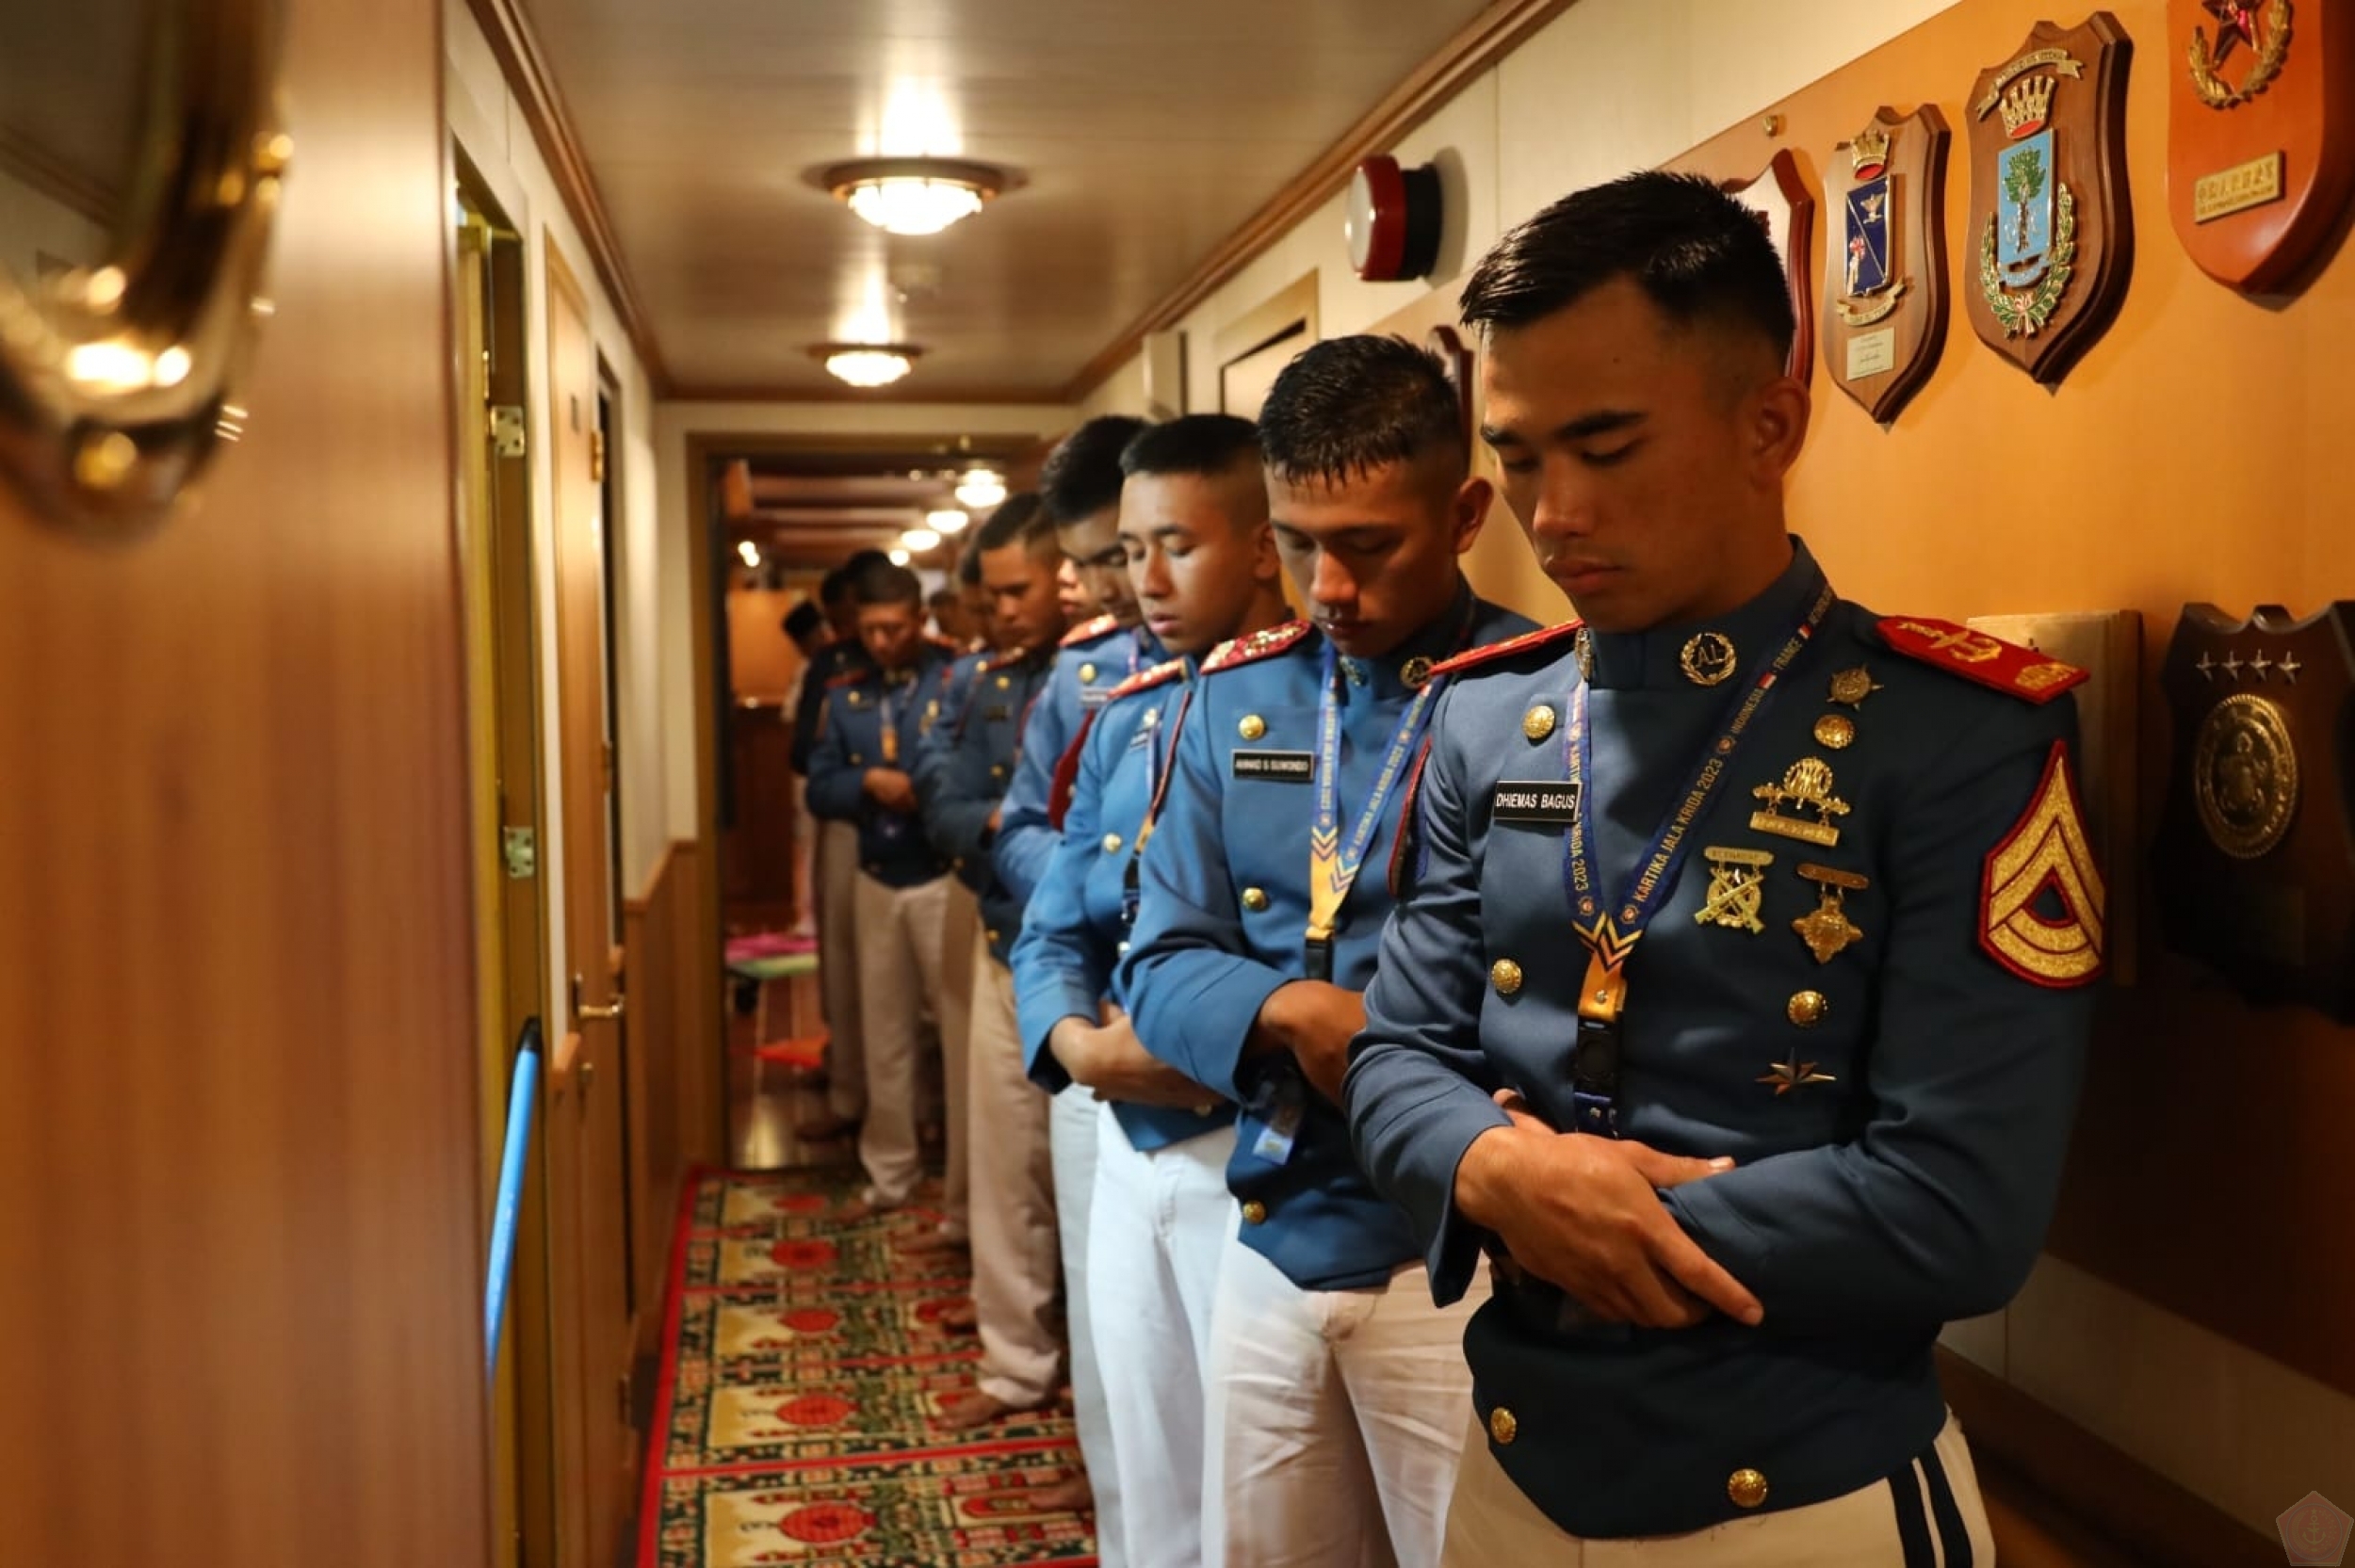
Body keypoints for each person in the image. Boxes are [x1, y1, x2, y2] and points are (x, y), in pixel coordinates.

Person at [1344, 170, 2103, 1565]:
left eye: (1607, 445)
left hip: (1800, 1483)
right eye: (1517, 457)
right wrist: (1506, 1174)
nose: (1552, 510)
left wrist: (1576, 1205)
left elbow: (1961, 1205)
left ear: (1771, 425)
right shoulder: (1478, 714)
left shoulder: (1951, 735)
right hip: (1512, 1463)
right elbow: (1394, 1058)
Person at [1117, 335, 1535, 1568]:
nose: (1329, 588)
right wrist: (1303, 1017)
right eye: (1299, 543)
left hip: (1456, 1255)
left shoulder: (1543, 694)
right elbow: (1158, 959)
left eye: (1369, 544)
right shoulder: (1235, 698)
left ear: (1462, 513)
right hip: (1273, 1227)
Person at [1011, 412, 1293, 1568]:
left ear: (1266, 544)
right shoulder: (1127, 717)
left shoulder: (1337, 703)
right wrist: (1077, 1048)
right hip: (1123, 1132)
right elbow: (1050, 925)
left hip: (1263, 1148)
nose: (1145, 581)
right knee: (1142, 1470)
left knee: (1260, 1503)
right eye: (1129, 552)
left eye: (1175, 544)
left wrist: (1194, 1041)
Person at [983, 412, 1154, 1549]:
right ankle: (1114, 1516)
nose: (1113, 586)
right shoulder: (1083, 677)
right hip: (1097, 1010)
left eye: (1125, 555)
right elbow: (1016, 833)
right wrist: (1115, 875)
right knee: (1107, 1313)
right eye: (1091, 563)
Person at [911, 494, 1079, 1459]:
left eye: (1022, 589)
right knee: (1003, 1163)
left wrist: (999, 824)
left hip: (1098, 970)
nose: (1006, 607)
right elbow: (938, 788)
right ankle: (1014, 1364)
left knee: (1077, 1183)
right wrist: (996, 828)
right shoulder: (979, 682)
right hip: (1003, 937)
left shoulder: (1112, 675)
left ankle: (1079, 1390)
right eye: (994, 592)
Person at [803, 558, 957, 1211]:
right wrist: (867, 783)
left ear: (918, 618)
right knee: (884, 1030)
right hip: (875, 874)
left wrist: (925, 791)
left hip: (943, 877)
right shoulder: (846, 691)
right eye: (871, 630)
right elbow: (819, 784)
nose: (883, 642)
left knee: (952, 1031)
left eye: (895, 628)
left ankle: (959, 1173)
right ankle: (891, 1171)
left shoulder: (954, 680)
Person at [792, 552, 888, 1143]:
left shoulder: (934, 663)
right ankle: (849, 1093)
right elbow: (802, 752)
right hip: (852, 824)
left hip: (920, 840)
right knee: (846, 971)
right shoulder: (831, 665)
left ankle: (922, 1108)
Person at [779, 599, 830, 937]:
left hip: (830, 770)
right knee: (810, 844)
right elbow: (789, 716)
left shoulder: (831, 665)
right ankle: (810, 915)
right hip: (808, 770)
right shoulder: (808, 670)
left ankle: (817, 916)